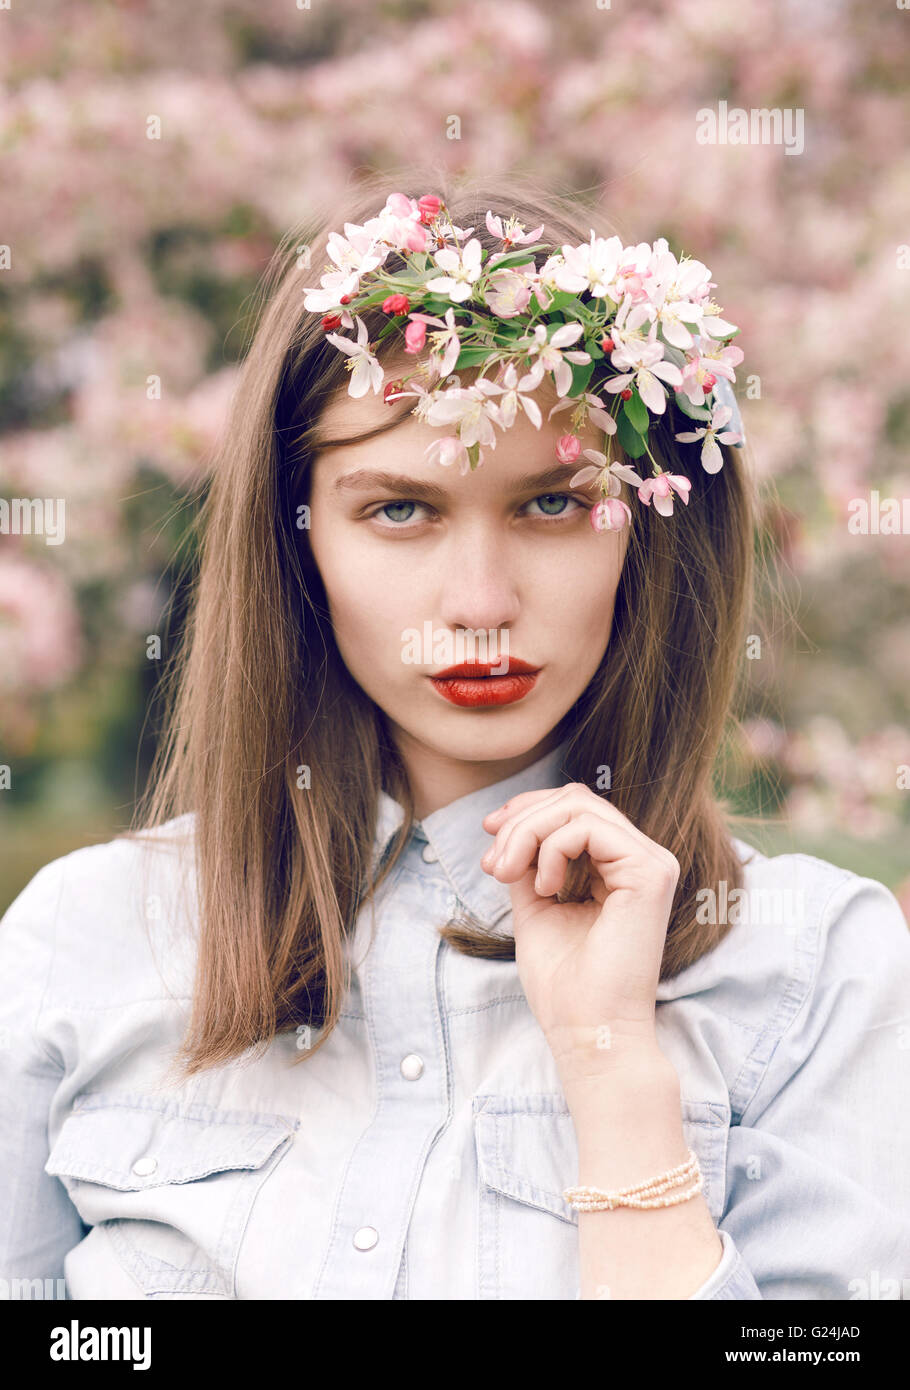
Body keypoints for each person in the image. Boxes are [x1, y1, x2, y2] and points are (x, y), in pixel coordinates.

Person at [1, 170, 908, 1302]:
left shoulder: (811, 965)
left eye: (553, 504)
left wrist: (613, 1067)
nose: (478, 601)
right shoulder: (76, 943)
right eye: (400, 509)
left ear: (646, 534)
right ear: (298, 540)